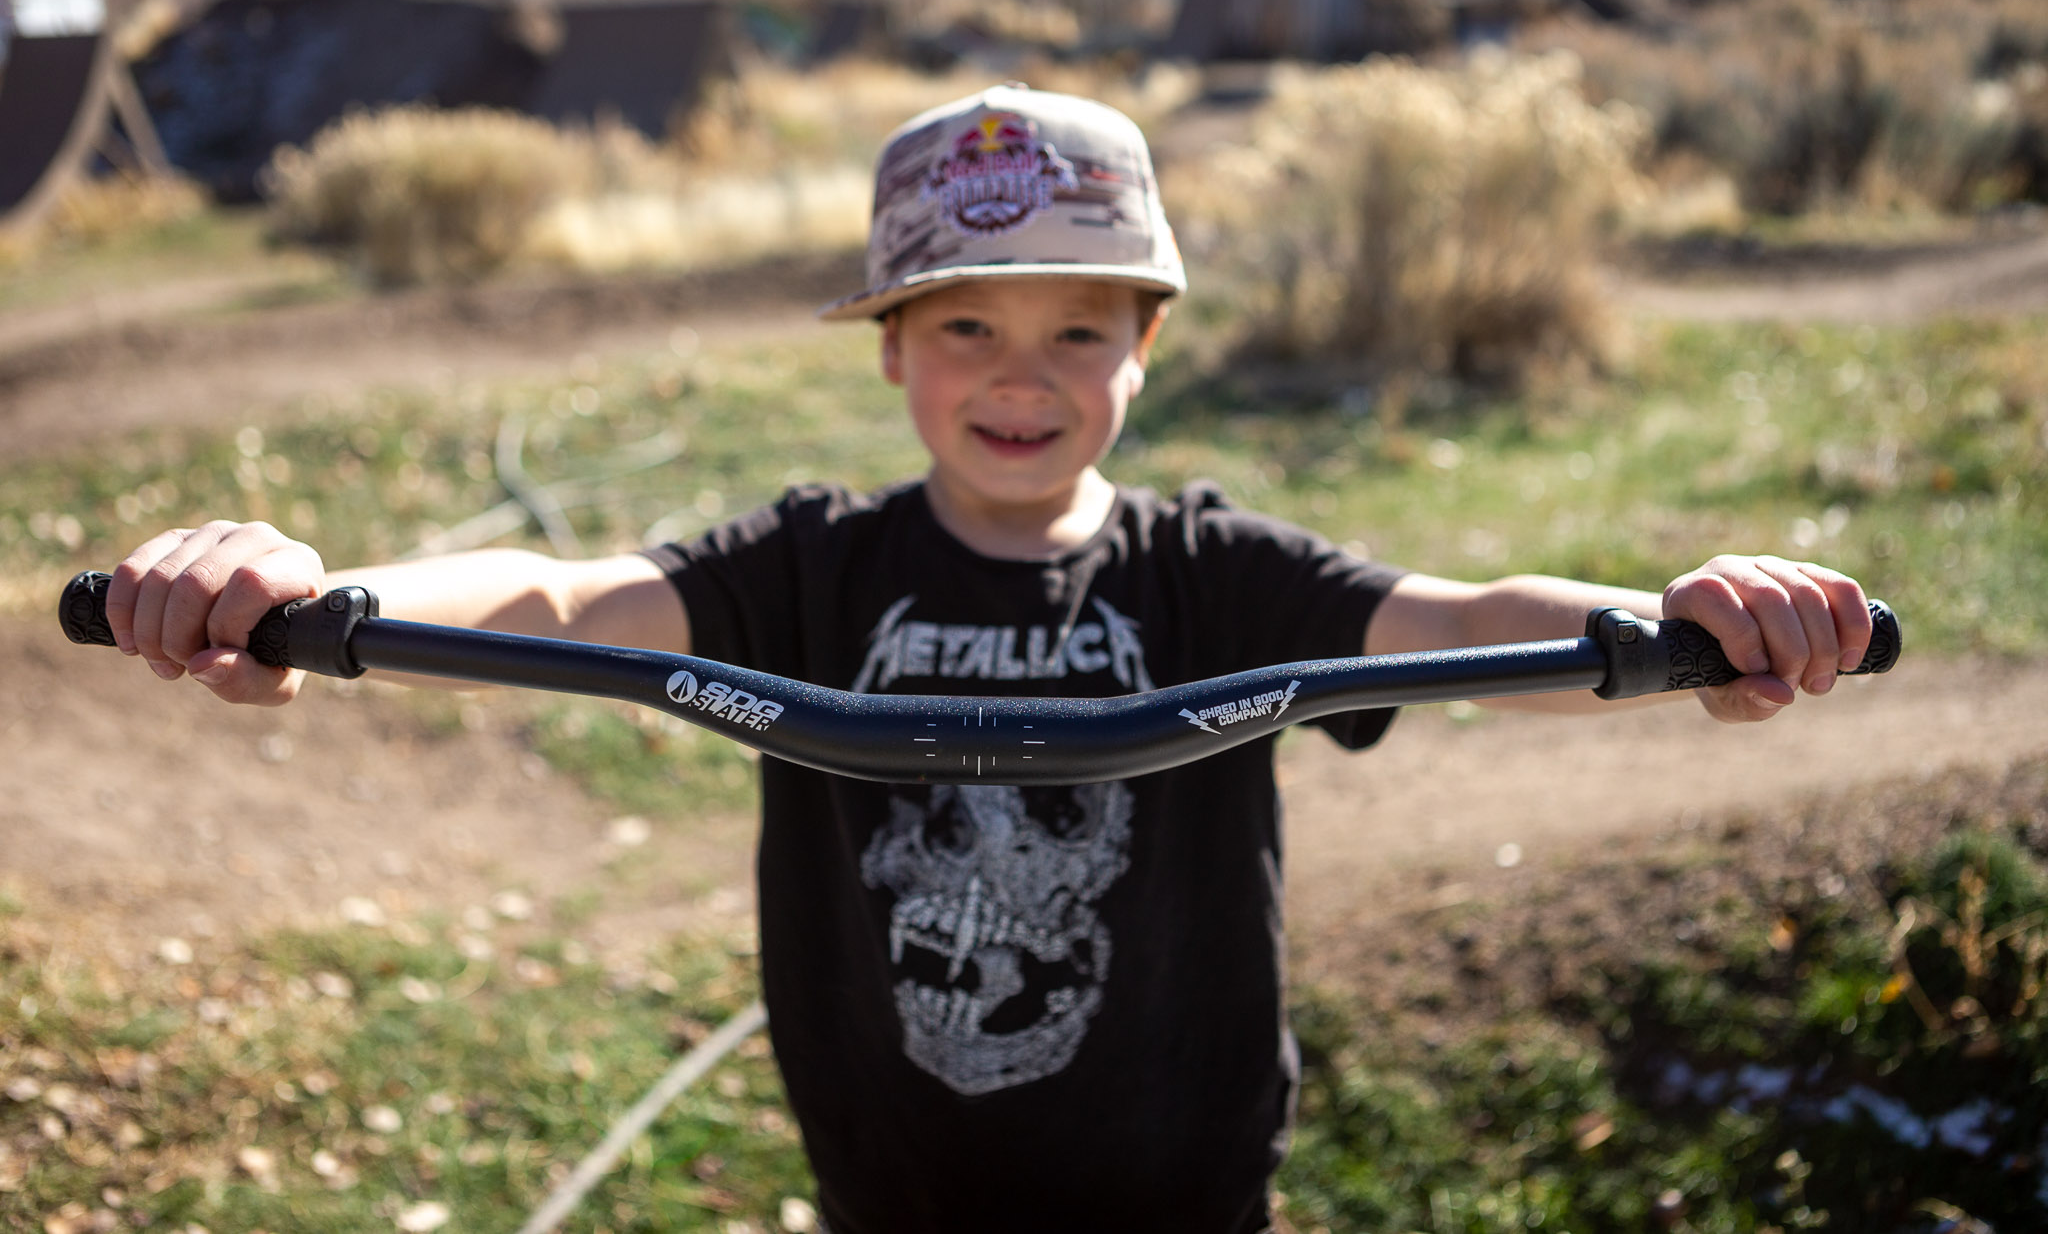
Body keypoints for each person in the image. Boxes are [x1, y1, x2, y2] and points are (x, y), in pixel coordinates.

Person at [103, 86, 1873, 1233]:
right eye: (966, 323)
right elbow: (564, 604)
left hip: (1188, 1190)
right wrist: (313, 597)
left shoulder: (1217, 574)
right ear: (890, 348)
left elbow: (1461, 612)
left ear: (1148, 349)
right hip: (894, 1185)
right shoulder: (808, 565)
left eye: (1078, 329)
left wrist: (1675, 629)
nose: (1021, 375)